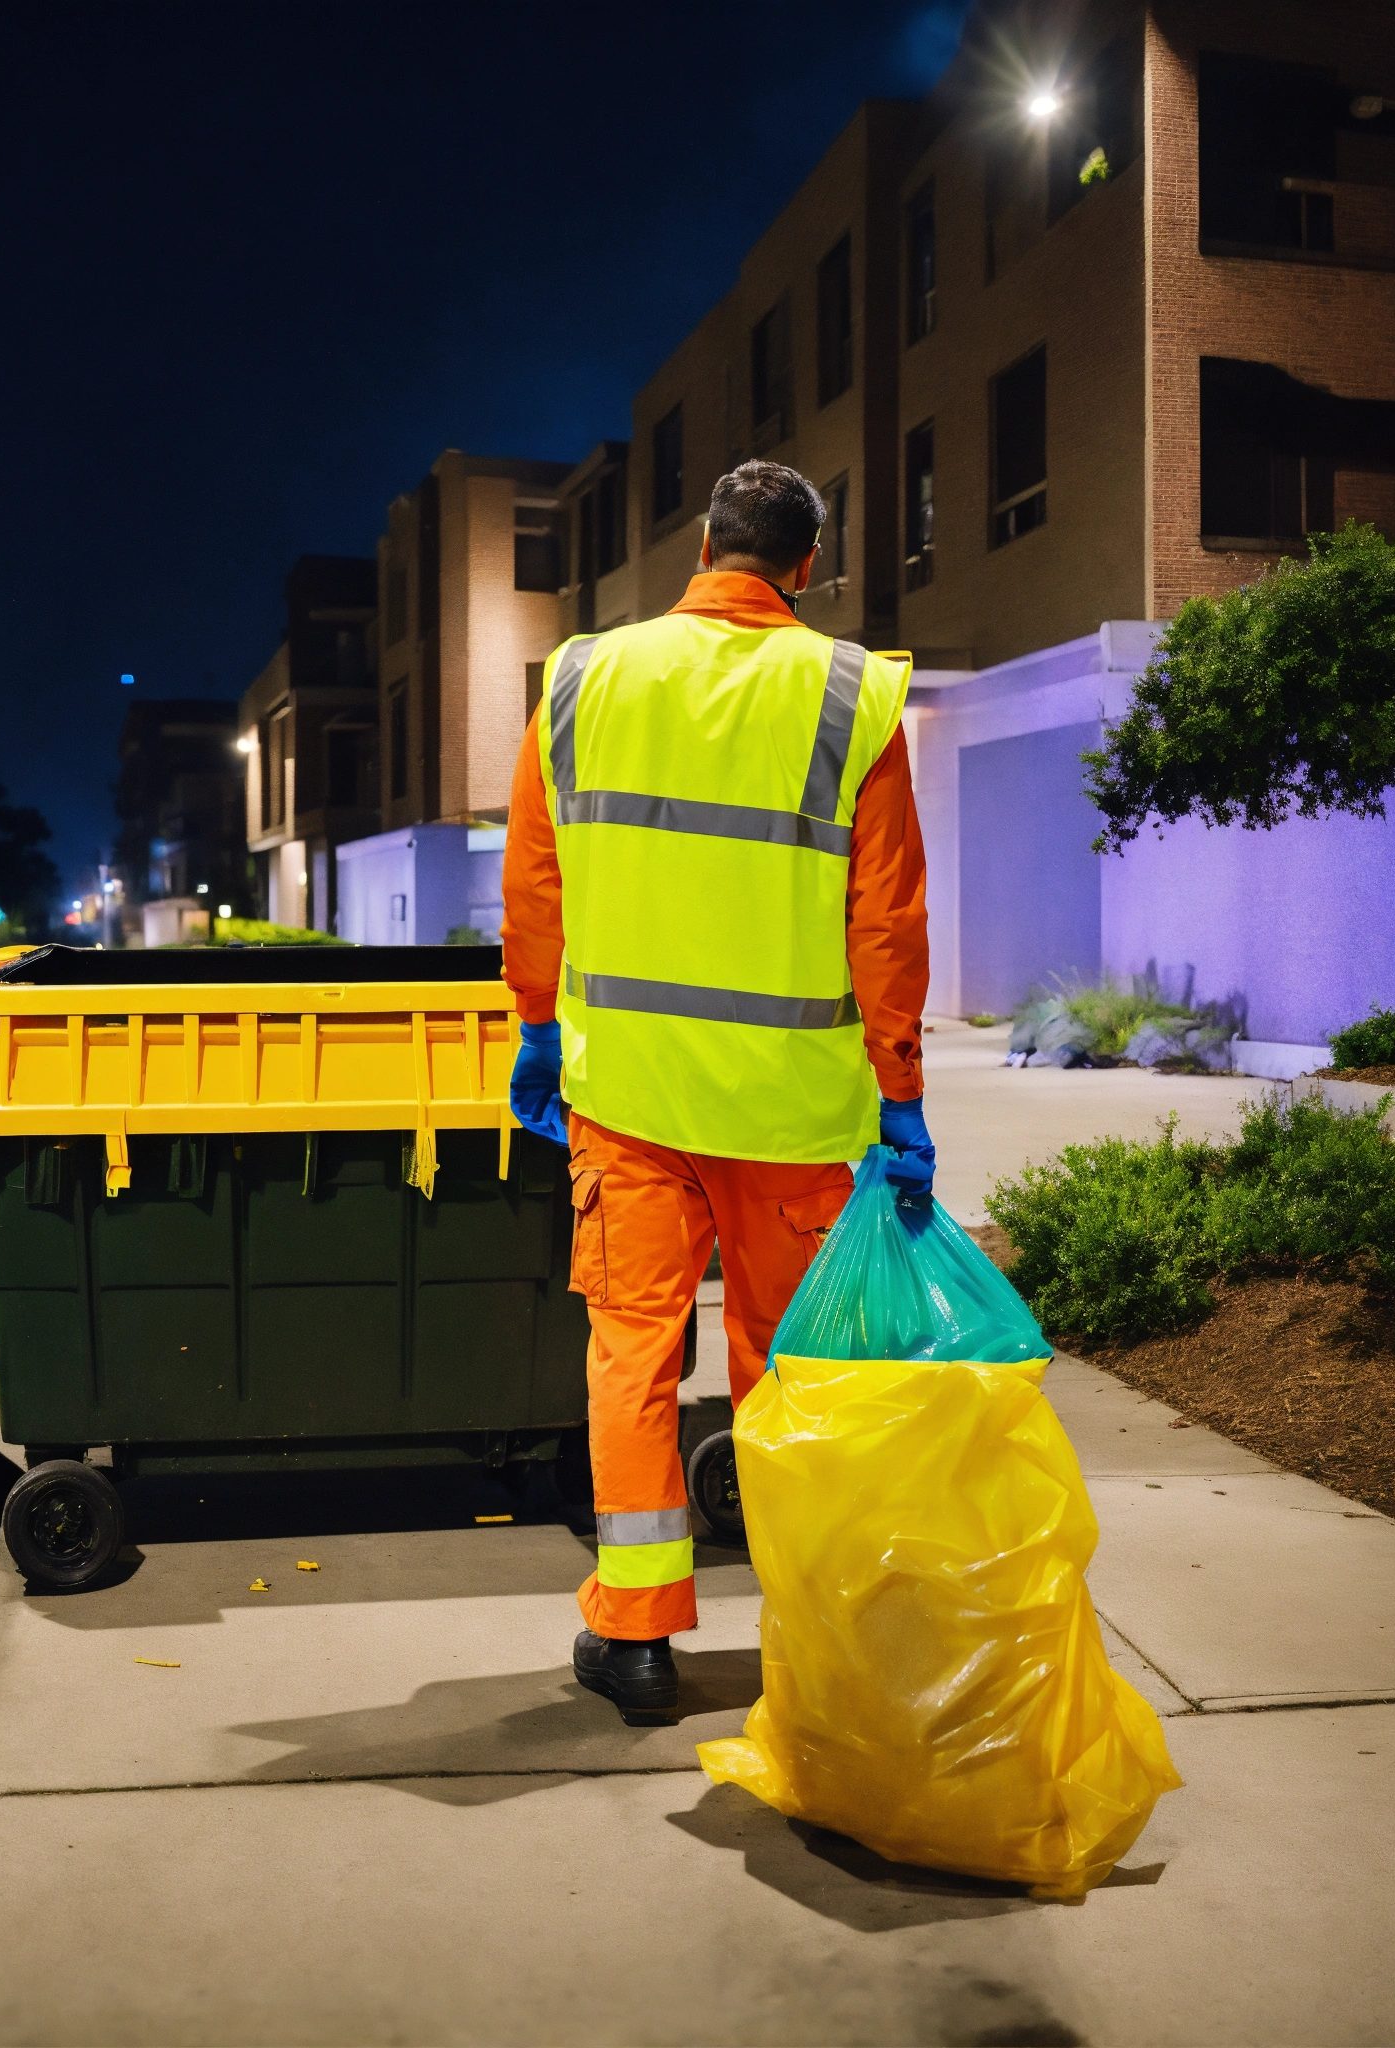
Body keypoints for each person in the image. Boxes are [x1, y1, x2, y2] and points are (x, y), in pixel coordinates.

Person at [500, 458, 932, 1721]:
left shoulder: (583, 677)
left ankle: (635, 1639)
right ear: (805, 566)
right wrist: (897, 1091)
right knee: (785, 1368)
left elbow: (535, 880)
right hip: (786, 1108)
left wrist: (536, 1026)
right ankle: (806, 1631)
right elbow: (886, 916)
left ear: (701, 546)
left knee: (630, 1351)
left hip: (627, 1094)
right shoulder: (849, 692)